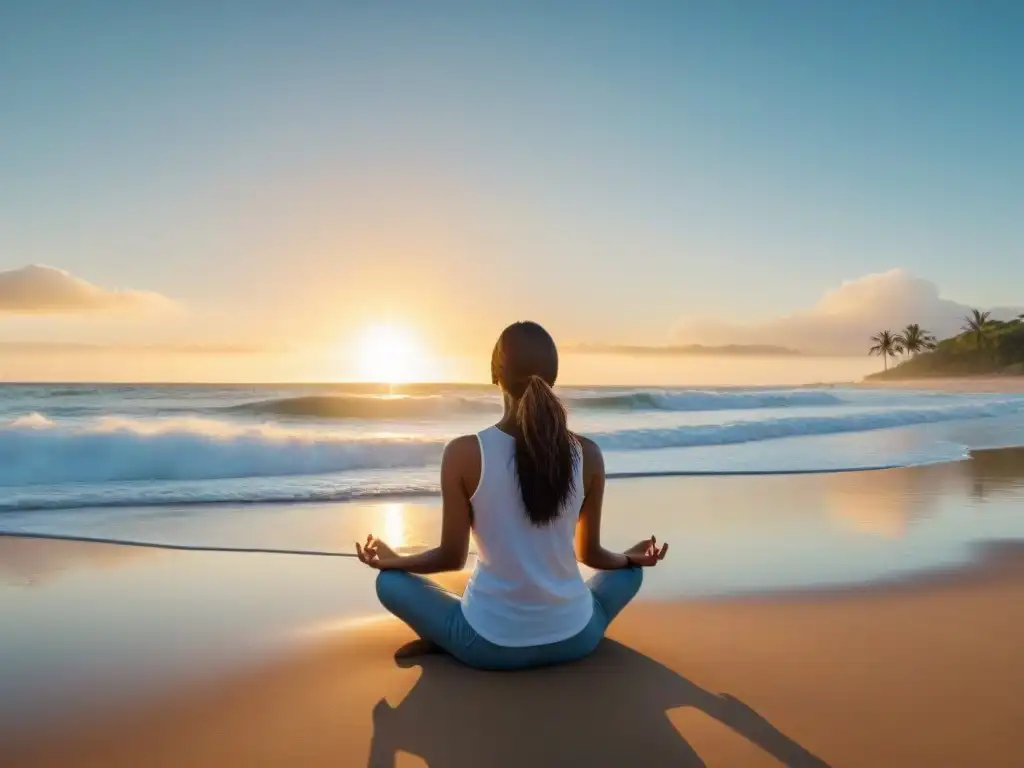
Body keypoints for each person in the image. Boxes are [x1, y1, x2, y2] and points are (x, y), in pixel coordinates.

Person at [356, 321, 668, 671]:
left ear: (495, 375)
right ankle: (463, 634)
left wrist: (393, 560)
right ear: (554, 378)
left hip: (487, 646)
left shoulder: (464, 454)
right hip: (577, 638)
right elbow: (590, 554)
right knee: (631, 574)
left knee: (389, 583)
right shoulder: (589, 455)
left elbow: (451, 557)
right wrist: (628, 559)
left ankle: (446, 639)